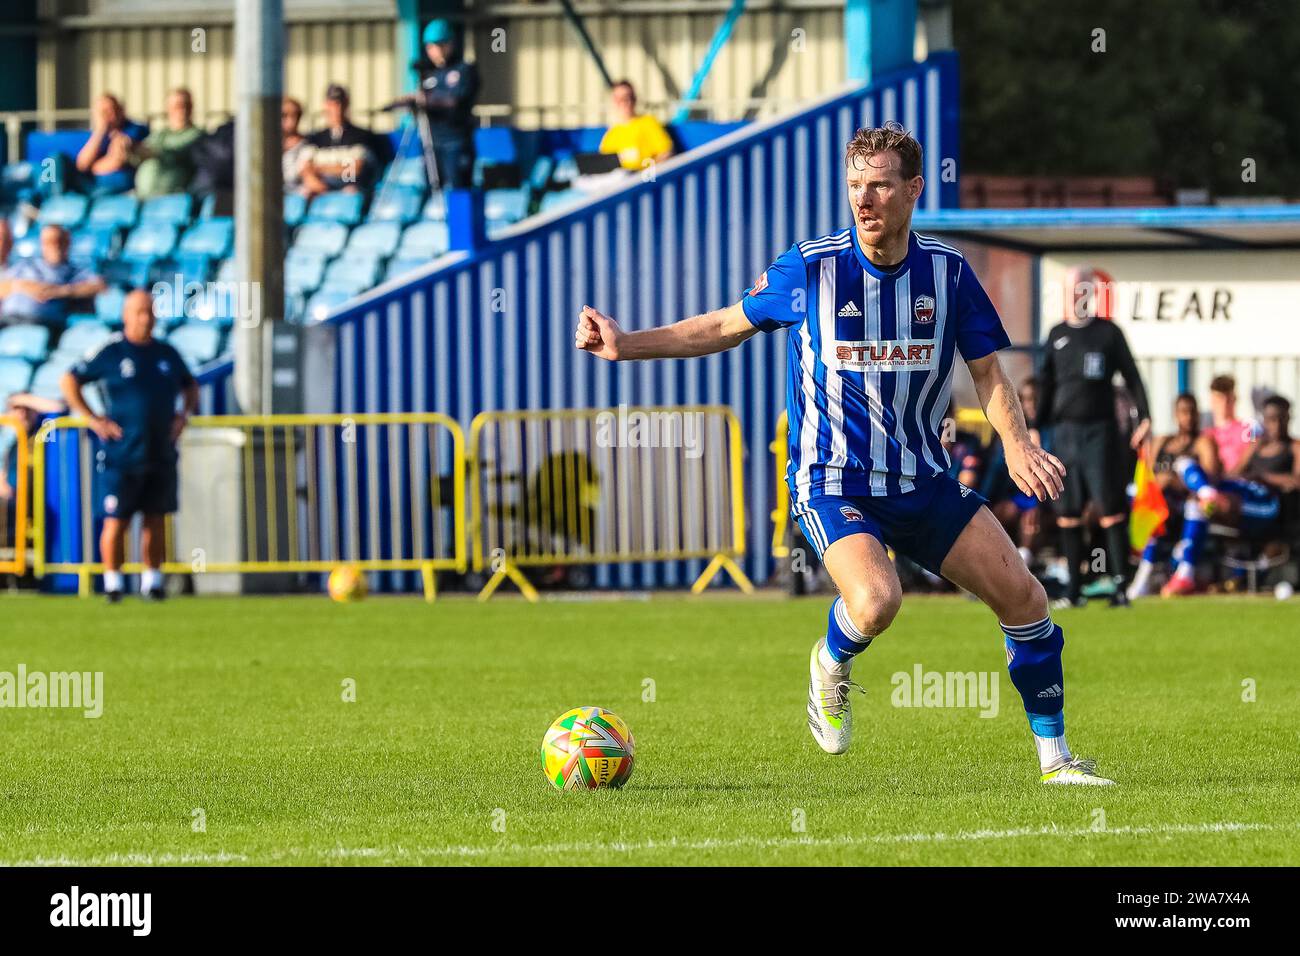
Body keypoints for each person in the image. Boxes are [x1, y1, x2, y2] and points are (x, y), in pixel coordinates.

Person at [575, 121, 1112, 786]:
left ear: (914, 189)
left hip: (922, 481)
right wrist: (628, 344)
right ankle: (830, 663)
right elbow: (723, 325)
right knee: (878, 601)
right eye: (855, 184)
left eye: (880, 184)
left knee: (1027, 601)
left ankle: (1056, 763)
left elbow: (989, 374)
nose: (864, 198)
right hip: (833, 480)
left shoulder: (947, 275)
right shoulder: (812, 267)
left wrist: (1019, 441)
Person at [60, 289, 198, 602]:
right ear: (126, 315)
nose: (145, 318)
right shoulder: (110, 351)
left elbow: (190, 385)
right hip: (121, 455)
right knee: (116, 520)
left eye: (149, 312)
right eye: (139, 312)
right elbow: (69, 380)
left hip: (159, 451)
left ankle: (153, 581)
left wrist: (182, 415)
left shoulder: (166, 353)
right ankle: (113, 583)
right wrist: (94, 419)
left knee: (156, 518)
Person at [1036, 266, 1150, 608]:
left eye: (1083, 289)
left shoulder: (1108, 333)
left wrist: (1144, 417)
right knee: (1068, 511)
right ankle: (1073, 591)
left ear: (1092, 292)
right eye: (1072, 290)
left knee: (1110, 507)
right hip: (1065, 432)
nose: (1077, 296)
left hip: (1100, 431)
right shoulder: (1056, 334)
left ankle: (1119, 587)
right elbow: (1045, 386)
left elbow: (1132, 377)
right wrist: (1034, 427)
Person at [1129, 393, 1221, 598]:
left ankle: (1184, 573)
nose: (1188, 417)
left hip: (1189, 503)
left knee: (1186, 473)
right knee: (1144, 503)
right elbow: (1148, 476)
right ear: (1175, 415)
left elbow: (1211, 476)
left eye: (1192, 412)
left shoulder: (1203, 442)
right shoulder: (1163, 441)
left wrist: (1175, 481)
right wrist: (1164, 481)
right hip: (1162, 505)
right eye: (1184, 412)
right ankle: (1143, 575)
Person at [409, 18, 479, 190]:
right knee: (431, 190)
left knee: (459, 191)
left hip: (456, 142)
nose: (437, 51)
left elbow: (454, 101)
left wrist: (428, 101)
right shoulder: (428, 75)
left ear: (450, 43)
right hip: (432, 143)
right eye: (432, 46)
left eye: (441, 45)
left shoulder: (464, 70)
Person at [0, 225, 106, 325]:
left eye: (60, 241)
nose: (55, 246)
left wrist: (58, 291)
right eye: (49, 242)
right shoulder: (25, 265)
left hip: (40, 321)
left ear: (68, 243)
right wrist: (23, 286)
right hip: (7, 318)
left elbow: (99, 286)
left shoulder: (74, 270)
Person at [300, 84, 386, 196]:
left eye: (340, 103)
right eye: (332, 103)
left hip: (352, 192)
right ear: (325, 105)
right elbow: (306, 170)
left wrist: (319, 168)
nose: (337, 108)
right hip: (322, 192)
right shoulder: (315, 138)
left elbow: (352, 172)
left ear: (347, 104)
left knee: (351, 193)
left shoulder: (361, 135)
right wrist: (318, 183)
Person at [133, 88, 203, 199]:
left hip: (172, 197)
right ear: (168, 109)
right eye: (177, 106)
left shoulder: (197, 135)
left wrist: (144, 150)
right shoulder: (159, 134)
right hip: (143, 196)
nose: (182, 109)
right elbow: (140, 152)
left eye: (185, 105)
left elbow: (173, 152)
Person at [74, 94, 148, 196]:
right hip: (94, 186)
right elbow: (82, 165)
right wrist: (101, 130)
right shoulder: (96, 135)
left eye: (115, 109)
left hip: (118, 187)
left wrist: (91, 168)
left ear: (121, 110)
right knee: (58, 160)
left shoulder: (134, 130)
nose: (112, 115)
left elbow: (117, 161)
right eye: (105, 112)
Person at [598, 80, 673, 173]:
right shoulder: (611, 133)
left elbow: (666, 153)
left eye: (627, 98)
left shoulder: (648, 123)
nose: (623, 102)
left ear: (634, 99)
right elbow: (602, 165)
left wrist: (646, 173)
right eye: (619, 99)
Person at [1208, 375, 1251, 474]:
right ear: (1212, 401)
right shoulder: (1206, 434)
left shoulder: (1247, 430)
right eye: (1219, 399)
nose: (1223, 404)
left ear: (1234, 399)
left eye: (1228, 399)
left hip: (1238, 483)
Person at [281, 97, 312, 193]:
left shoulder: (307, 145)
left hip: (296, 195)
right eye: (284, 115)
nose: (291, 120)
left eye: (295, 115)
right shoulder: (268, 144)